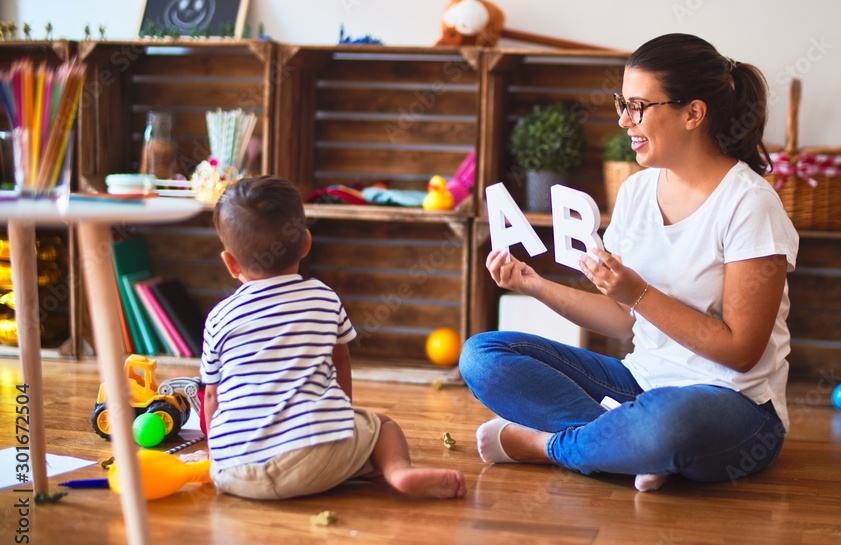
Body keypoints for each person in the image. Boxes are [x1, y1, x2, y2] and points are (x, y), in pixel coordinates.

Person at [460, 33, 799, 492]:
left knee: (667, 423)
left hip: (733, 404)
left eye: (638, 106)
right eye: (623, 102)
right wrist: (535, 285)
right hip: (639, 385)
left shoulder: (751, 204)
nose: (623, 120)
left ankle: (548, 446)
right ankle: (626, 445)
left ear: (693, 113)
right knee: (483, 357)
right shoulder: (638, 191)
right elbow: (623, 322)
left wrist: (637, 292)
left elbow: (742, 352)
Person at [200, 176, 466, 500]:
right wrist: (343, 419)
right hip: (315, 462)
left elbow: (212, 397)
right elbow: (341, 360)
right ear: (306, 243)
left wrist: (216, 455)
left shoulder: (218, 317)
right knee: (382, 427)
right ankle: (397, 471)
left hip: (234, 473)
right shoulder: (323, 297)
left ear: (229, 263)